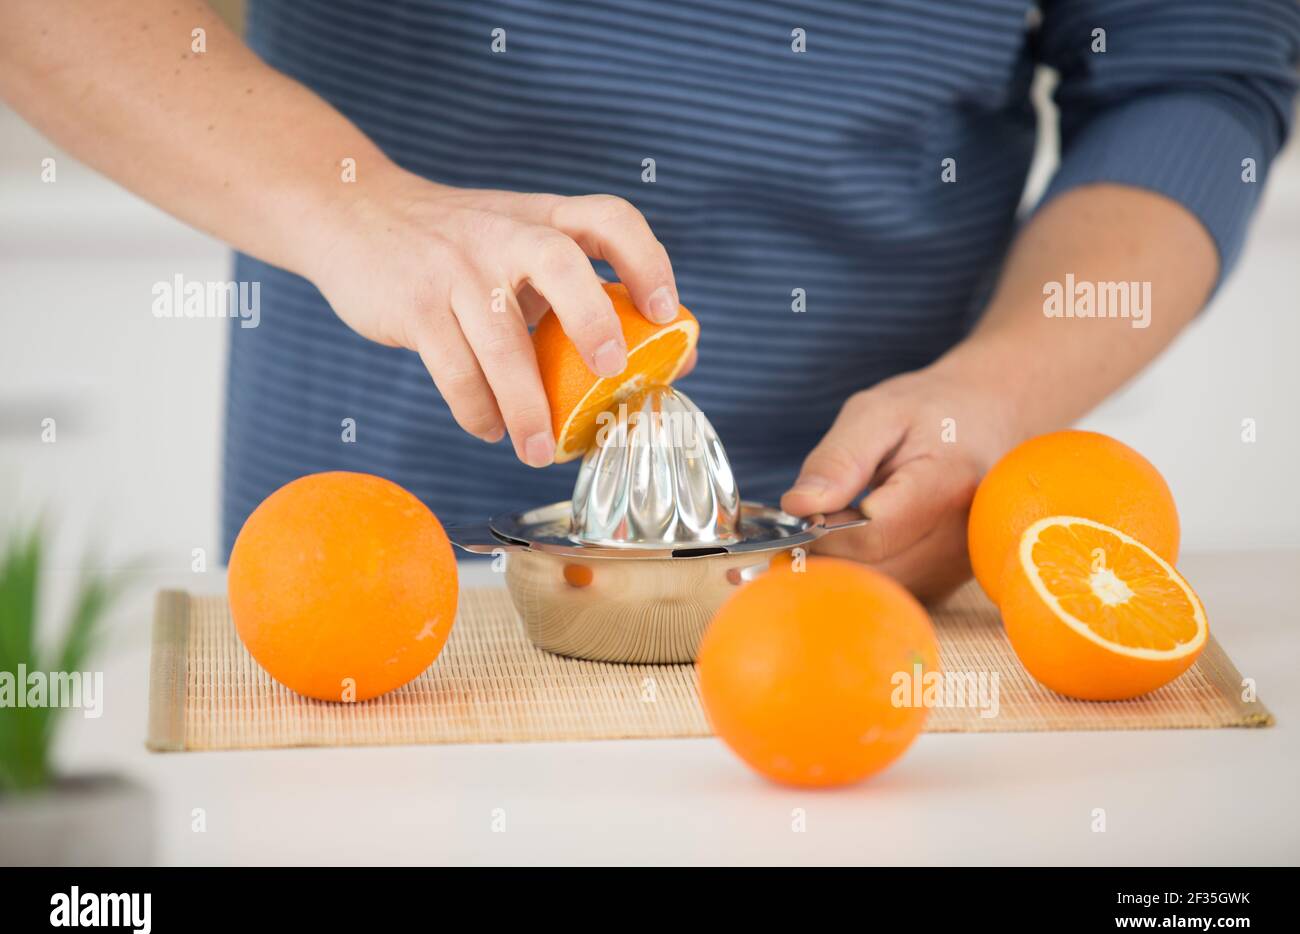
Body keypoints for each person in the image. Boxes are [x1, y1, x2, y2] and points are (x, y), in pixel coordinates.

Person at [4, 0, 1296, 600]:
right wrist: (353, 204)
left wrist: (999, 391)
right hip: (372, 578)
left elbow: (1197, 81)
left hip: (867, 571)